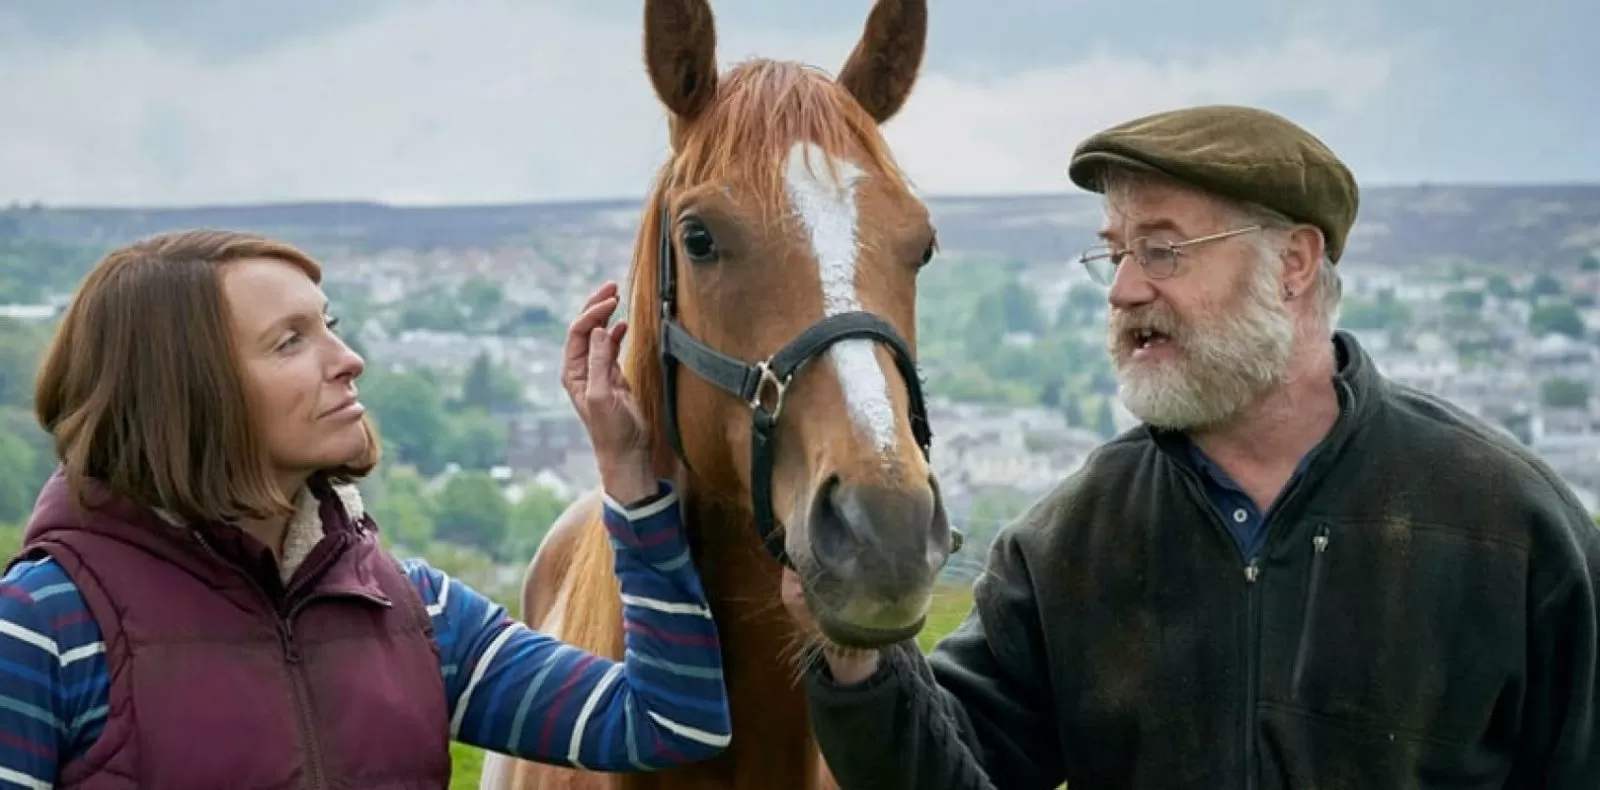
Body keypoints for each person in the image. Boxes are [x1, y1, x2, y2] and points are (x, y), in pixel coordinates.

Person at [783, 105, 1600, 789]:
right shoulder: (1073, 540)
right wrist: (857, 655)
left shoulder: (1506, 527)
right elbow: (955, 771)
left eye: (1162, 249)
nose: (1124, 288)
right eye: (1115, 249)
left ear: (1293, 262)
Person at [0, 230, 731, 788]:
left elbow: (670, 722)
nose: (347, 359)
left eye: (330, 324)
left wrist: (631, 480)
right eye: (290, 342)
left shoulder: (414, 610)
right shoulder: (43, 629)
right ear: (185, 395)